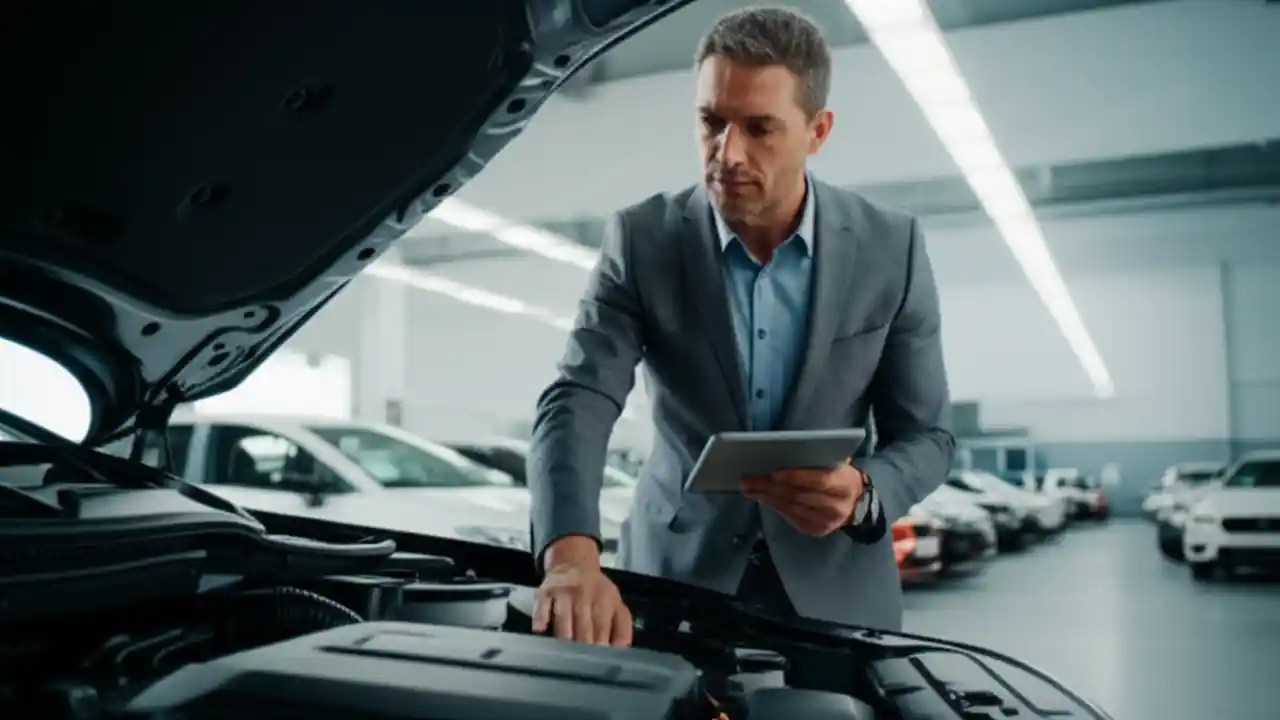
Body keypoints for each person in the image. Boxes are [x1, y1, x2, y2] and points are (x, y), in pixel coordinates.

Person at [526, 6, 955, 646]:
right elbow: (579, 396)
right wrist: (569, 555)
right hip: (673, 582)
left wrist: (865, 495)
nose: (728, 153)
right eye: (711, 122)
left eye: (759, 128)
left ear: (818, 130)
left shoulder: (891, 248)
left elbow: (928, 437)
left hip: (836, 593)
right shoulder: (643, 240)